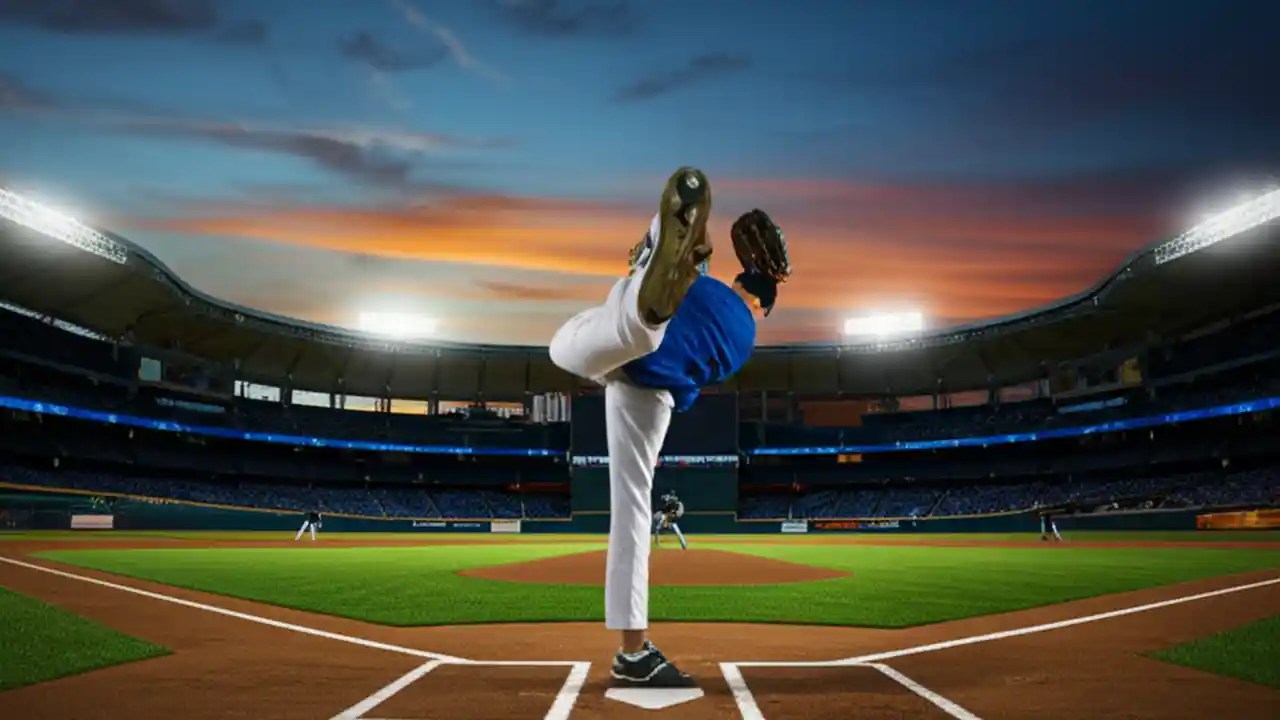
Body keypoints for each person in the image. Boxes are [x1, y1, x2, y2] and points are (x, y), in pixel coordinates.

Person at [548, 166, 790, 688]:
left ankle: (653, 259)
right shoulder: (743, 338)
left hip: (622, 331)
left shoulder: (708, 289)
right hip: (649, 388)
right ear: (764, 306)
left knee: (566, 342)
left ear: (737, 278)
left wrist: (687, 275)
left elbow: (703, 309)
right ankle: (632, 652)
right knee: (632, 507)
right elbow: (689, 388)